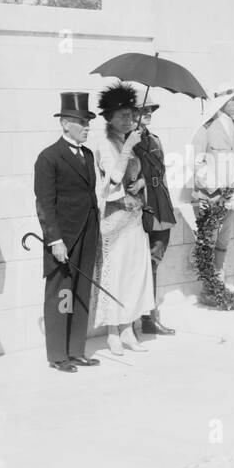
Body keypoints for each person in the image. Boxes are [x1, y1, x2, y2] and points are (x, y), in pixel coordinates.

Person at [33, 92, 103, 373]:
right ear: (65, 124)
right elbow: (44, 204)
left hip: (87, 233)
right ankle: (58, 355)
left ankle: (76, 350)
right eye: (82, 122)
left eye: (88, 122)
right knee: (61, 293)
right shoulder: (49, 157)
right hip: (64, 238)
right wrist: (55, 240)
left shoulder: (86, 154)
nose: (87, 127)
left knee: (81, 291)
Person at [90, 83, 156, 355]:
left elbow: (134, 176)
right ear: (109, 119)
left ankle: (128, 328)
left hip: (133, 218)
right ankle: (112, 332)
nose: (129, 120)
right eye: (122, 116)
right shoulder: (106, 145)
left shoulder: (132, 143)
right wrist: (128, 147)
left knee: (133, 273)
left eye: (131, 115)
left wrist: (141, 183)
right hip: (114, 219)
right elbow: (111, 181)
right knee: (115, 274)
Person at [190, 82, 234, 279]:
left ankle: (218, 282)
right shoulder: (206, 127)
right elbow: (197, 164)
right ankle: (208, 286)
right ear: (221, 102)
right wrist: (217, 188)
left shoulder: (232, 126)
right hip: (210, 196)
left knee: (223, 240)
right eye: (233, 100)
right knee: (208, 240)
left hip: (230, 197)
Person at [135, 100, 177, 335]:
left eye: (150, 109)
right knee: (140, 264)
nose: (148, 112)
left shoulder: (155, 139)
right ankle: (134, 320)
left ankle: (149, 318)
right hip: (142, 205)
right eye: (143, 109)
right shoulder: (127, 141)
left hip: (160, 203)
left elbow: (160, 174)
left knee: (154, 260)